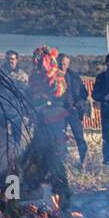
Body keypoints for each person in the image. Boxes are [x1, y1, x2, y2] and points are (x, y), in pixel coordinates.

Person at [28, 45, 71, 208]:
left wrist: (49, 74)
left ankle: (63, 195)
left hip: (54, 121)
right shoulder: (34, 75)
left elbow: (58, 92)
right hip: (39, 121)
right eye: (36, 59)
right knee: (37, 153)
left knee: (55, 156)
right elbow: (32, 93)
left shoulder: (56, 74)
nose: (37, 62)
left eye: (40, 59)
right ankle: (36, 189)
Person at [59, 53, 88, 166]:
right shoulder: (53, 76)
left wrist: (78, 105)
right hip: (59, 111)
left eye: (65, 64)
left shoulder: (74, 76)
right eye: (61, 64)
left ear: (68, 63)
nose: (63, 66)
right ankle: (61, 163)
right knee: (60, 138)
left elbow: (84, 94)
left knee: (79, 138)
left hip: (73, 111)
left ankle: (84, 163)